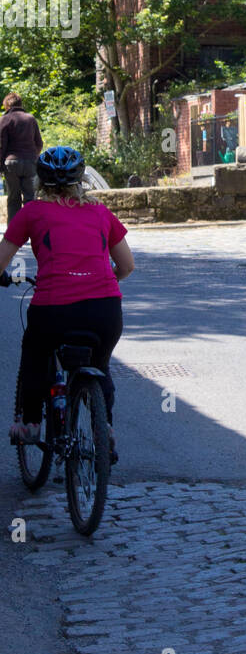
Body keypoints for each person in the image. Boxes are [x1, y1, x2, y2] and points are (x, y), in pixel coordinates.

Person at [0, 146, 134, 459]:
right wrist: (101, 279)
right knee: (99, 364)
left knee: (35, 354)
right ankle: (106, 429)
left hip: (53, 310)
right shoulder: (101, 212)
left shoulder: (31, 212)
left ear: (39, 181)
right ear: (81, 180)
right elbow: (127, 267)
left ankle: (32, 425)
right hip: (105, 310)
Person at [0, 92, 43, 221]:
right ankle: (32, 229)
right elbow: (39, 143)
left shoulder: (5, 119)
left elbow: (1, 146)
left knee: (13, 198)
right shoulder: (30, 118)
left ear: (7, 105)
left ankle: (14, 233)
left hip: (11, 164)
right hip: (30, 162)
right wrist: (32, 156)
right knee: (30, 197)